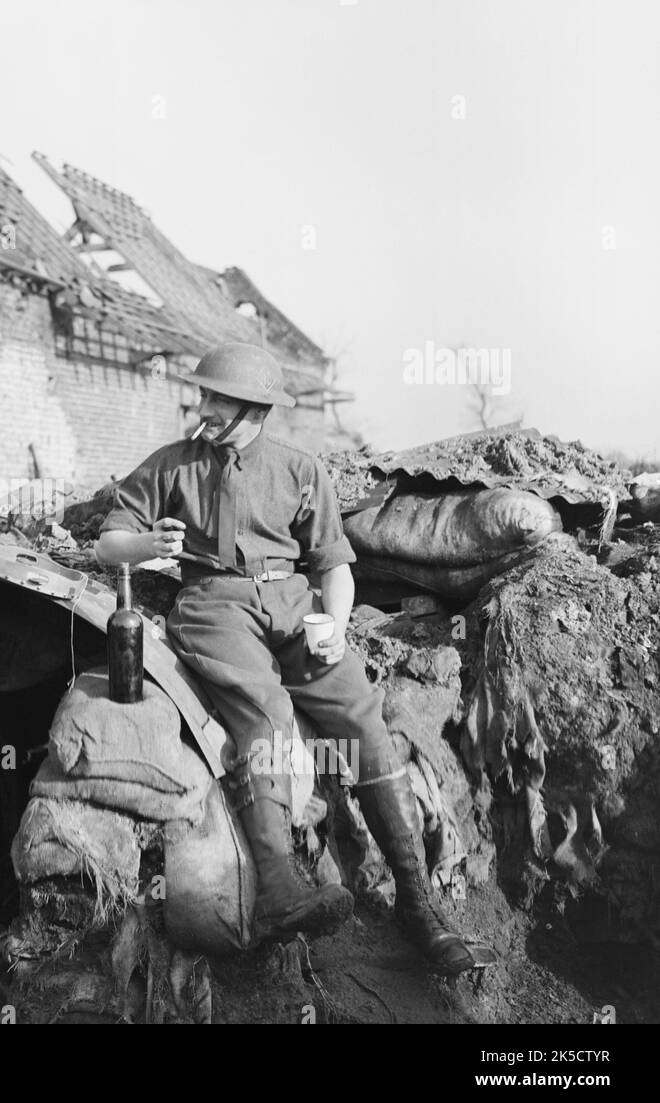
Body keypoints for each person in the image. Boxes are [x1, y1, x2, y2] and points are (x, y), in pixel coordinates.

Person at [95, 343, 487, 973]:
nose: (205, 407)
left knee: (363, 721)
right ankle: (278, 893)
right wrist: (143, 543)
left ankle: (417, 908)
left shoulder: (300, 469)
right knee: (266, 712)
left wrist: (333, 623)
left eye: (218, 398)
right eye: (204, 395)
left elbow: (334, 563)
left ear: (254, 407)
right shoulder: (173, 464)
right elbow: (107, 542)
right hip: (213, 604)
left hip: (292, 601)